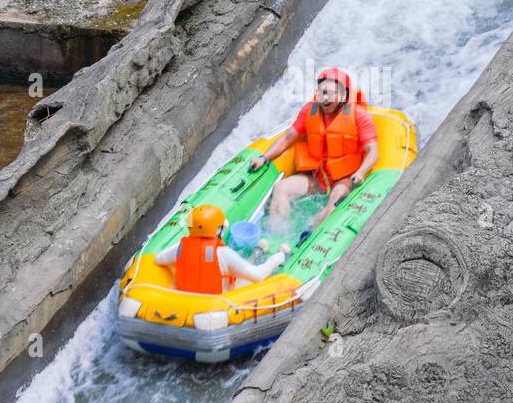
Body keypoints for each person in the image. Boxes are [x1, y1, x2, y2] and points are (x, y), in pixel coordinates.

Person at [249, 67, 380, 232]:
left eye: (330, 93)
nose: (325, 98)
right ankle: (276, 235)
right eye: (322, 92)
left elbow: (373, 150)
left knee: (334, 204)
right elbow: (287, 138)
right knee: (281, 188)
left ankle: (305, 242)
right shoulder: (309, 111)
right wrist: (264, 158)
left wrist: (361, 171)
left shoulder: (359, 115)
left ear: (344, 95)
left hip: (344, 179)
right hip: (317, 177)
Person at [155, 204, 286, 295]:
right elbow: (258, 276)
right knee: (249, 270)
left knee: (238, 267)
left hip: (185, 303)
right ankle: (268, 251)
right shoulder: (222, 253)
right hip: (217, 304)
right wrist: (276, 259)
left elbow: (158, 259)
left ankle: (259, 250)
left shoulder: (181, 247)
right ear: (219, 229)